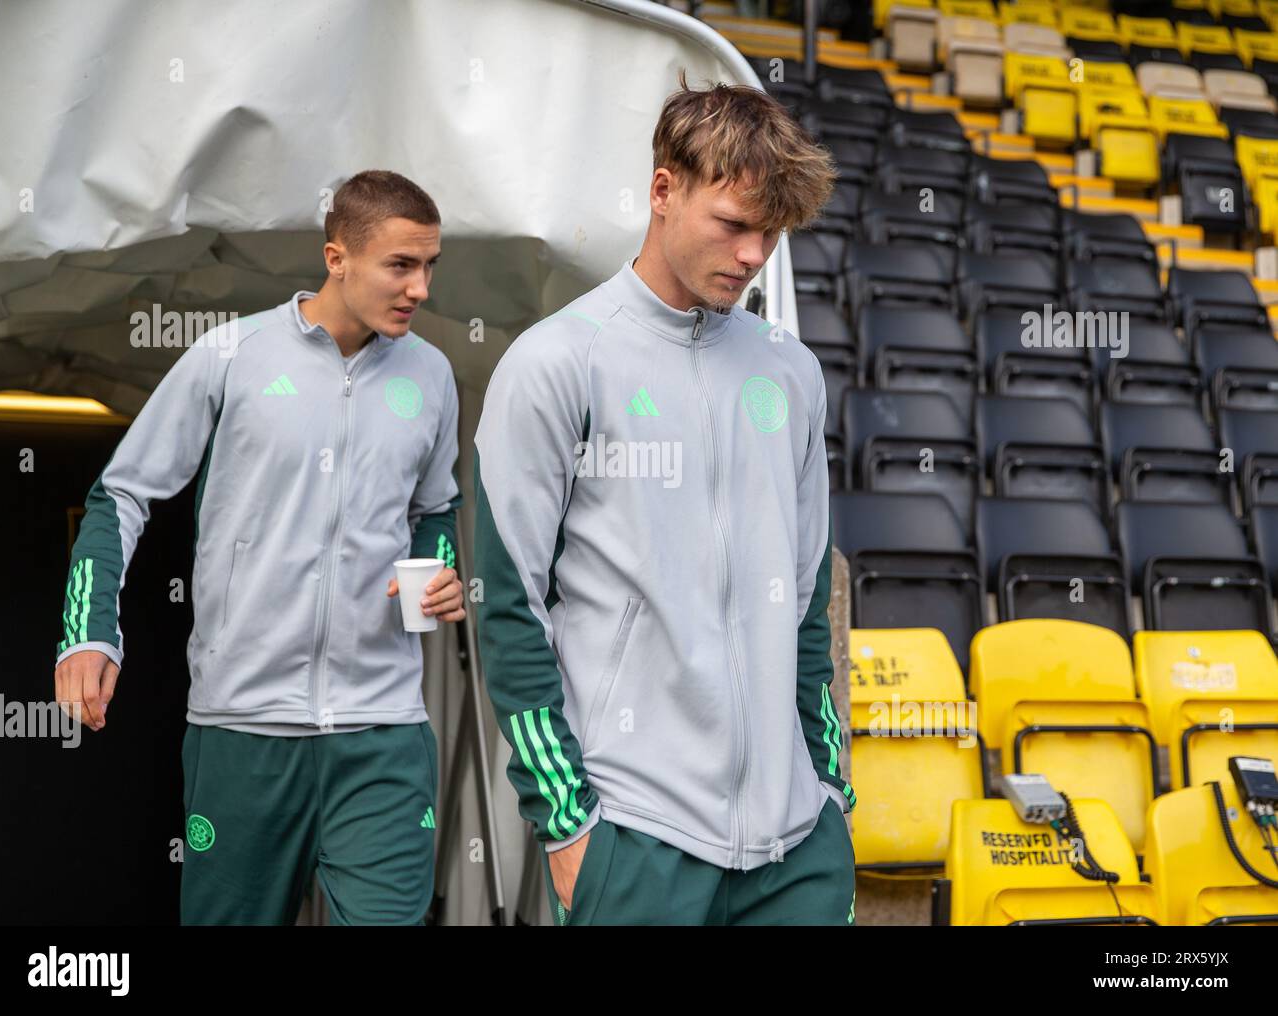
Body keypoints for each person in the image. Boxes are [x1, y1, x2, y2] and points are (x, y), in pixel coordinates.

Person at [473, 75, 857, 925]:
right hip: (638, 841)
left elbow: (801, 611)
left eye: (771, 232)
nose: (755, 254)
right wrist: (569, 825)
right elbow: (506, 607)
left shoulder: (791, 372)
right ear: (662, 190)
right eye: (733, 224)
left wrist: (831, 790)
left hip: (799, 849)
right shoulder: (555, 364)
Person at [52, 169, 464, 925]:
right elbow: (122, 494)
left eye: (430, 266)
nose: (421, 289)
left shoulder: (433, 376)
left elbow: (437, 508)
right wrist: (88, 635)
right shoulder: (231, 356)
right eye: (401, 265)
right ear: (337, 256)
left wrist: (437, 574)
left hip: (385, 735)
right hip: (242, 731)